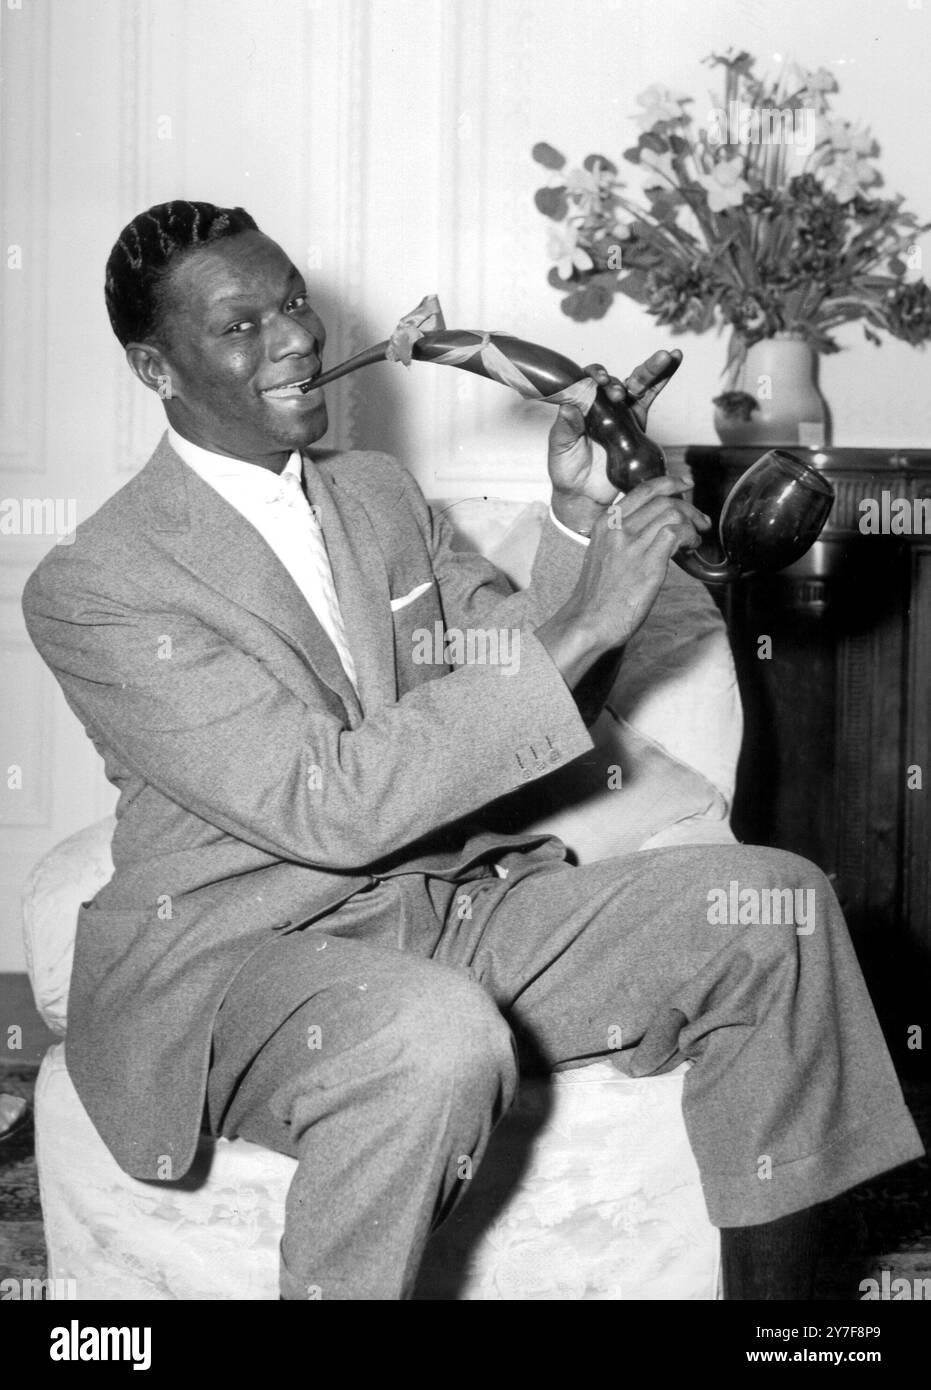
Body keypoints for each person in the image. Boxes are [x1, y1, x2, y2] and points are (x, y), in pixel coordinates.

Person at [23, 201, 923, 1301]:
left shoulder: (378, 494)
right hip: (240, 961)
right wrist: (590, 617)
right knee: (430, 1033)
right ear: (155, 368)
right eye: (242, 325)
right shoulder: (95, 582)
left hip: (449, 905)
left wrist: (578, 525)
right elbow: (327, 803)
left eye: (294, 301)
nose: (297, 337)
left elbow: (515, 681)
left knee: (773, 912)